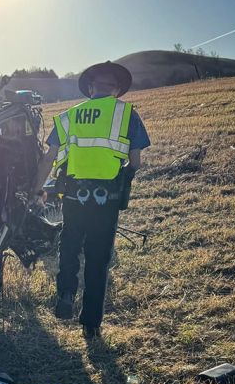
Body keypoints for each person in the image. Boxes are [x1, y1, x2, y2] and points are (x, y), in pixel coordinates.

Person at [29, 61, 151, 340]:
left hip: (73, 193)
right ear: (117, 89)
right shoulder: (128, 114)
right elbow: (136, 162)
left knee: (70, 244)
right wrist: (123, 174)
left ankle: (67, 292)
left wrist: (38, 190)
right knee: (98, 258)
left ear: (90, 88)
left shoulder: (68, 116)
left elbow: (49, 157)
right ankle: (91, 323)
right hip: (106, 197)